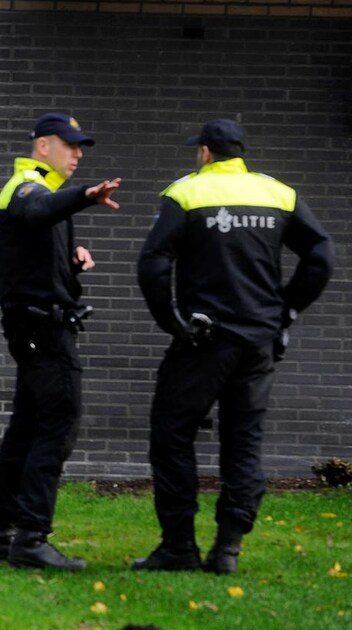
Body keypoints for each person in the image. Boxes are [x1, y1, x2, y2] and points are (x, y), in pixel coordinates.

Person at [132, 119, 333, 574]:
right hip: (259, 342)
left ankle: (179, 546)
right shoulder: (279, 194)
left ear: (205, 152)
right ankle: (227, 548)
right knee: (243, 442)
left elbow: (153, 264)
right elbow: (321, 256)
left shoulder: (186, 193)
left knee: (172, 435)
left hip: (203, 340)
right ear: (240, 152)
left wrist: (172, 322)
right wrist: (286, 309)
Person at [0, 112, 122, 571]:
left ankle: (1, 537)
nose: (78, 153)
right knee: (58, 427)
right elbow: (37, 211)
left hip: (35, 328)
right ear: (43, 146)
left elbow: (33, 256)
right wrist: (84, 196)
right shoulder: (27, 188)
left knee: (24, 431)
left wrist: (70, 263)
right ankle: (31, 539)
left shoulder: (43, 191)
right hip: (44, 333)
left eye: (81, 146)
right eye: (70, 144)